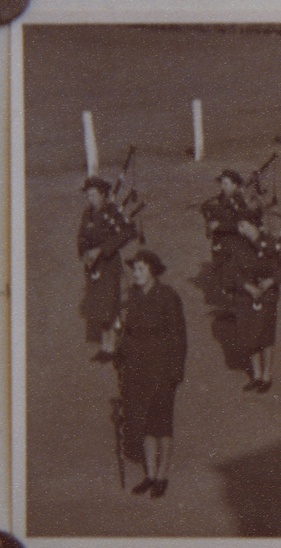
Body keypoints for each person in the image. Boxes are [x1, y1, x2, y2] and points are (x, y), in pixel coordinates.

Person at [114, 250, 186, 499]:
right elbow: (126, 332)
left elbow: (178, 337)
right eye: (134, 269)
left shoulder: (168, 296)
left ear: (152, 271)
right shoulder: (131, 296)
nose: (136, 273)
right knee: (144, 423)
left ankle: (162, 477)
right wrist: (119, 353)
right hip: (136, 368)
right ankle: (150, 475)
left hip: (161, 369)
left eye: (141, 269)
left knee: (162, 424)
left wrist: (175, 372)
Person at [225, 219, 281, 393]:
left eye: (246, 225)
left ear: (255, 225)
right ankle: (256, 375)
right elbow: (231, 270)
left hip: (267, 296)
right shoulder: (237, 246)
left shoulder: (271, 242)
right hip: (246, 297)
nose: (243, 229)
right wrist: (247, 286)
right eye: (240, 225)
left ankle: (267, 375)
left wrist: (272, 281)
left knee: (265, 336)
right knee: (250, 336)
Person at [78, 176, 138, 362]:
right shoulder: (87, 213)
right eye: (88, 195)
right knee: (99, 307)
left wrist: (102, 250)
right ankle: (105, 347)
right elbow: (81, 236)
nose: (91, 199)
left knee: (109, 306)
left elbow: (129, 231)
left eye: (94, 195)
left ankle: (112, 348)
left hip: (109, 264)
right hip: (92, 267)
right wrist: (85, 253)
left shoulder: (112, 212)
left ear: (103, 195)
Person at [200, 169, 260, 305]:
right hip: (221, 244)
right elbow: (211, 219)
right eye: (222, 183)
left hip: (238, 244)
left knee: (236, 275)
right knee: (223, 274)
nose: (223, 187)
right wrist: (211, 226)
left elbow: (244, 223)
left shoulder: (243, 202)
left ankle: (238, 304)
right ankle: (228, 304)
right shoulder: (217, 201)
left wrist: (220, 225)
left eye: (226, 184)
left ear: (235, 185)